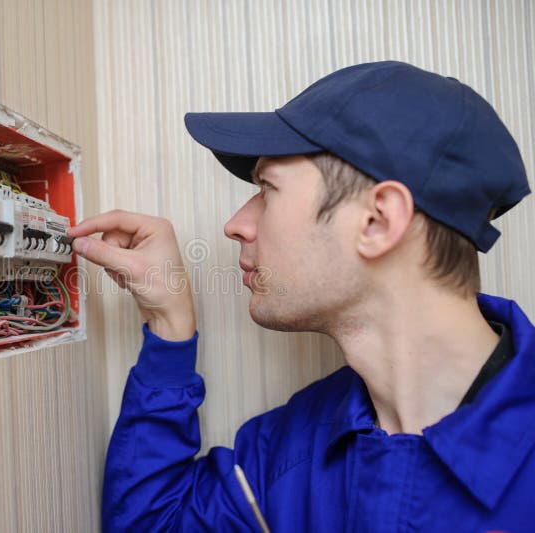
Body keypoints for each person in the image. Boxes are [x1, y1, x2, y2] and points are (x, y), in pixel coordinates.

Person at [68, 61, 535, 532]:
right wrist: (170, 325)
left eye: (267, 188)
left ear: (378, 222)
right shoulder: (293, 449)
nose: (237, 225)